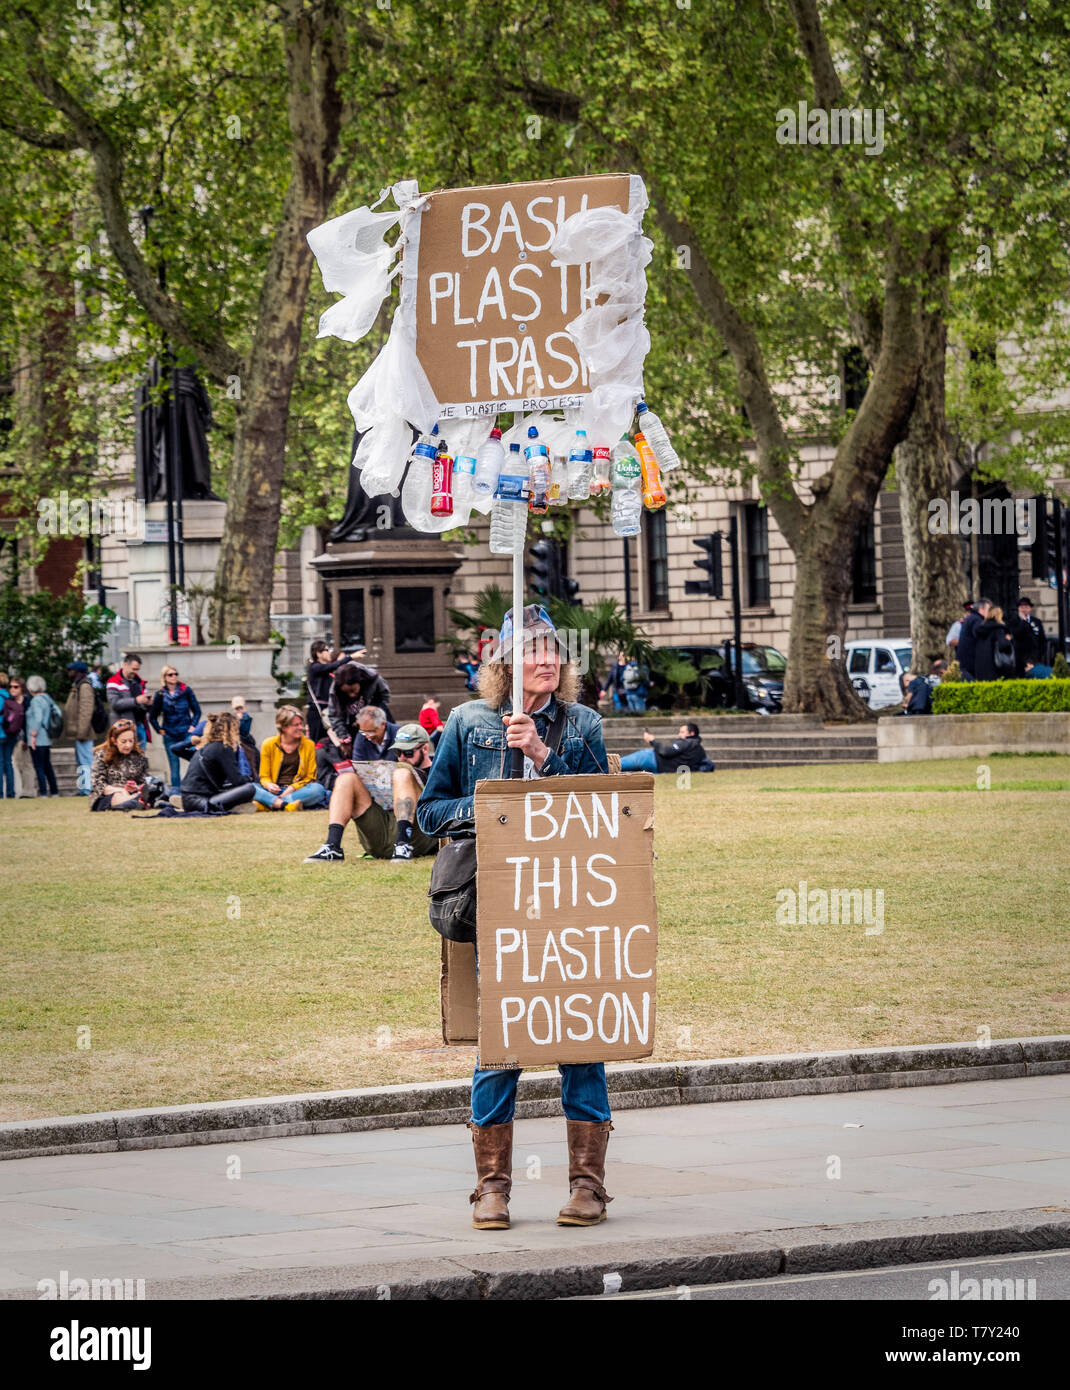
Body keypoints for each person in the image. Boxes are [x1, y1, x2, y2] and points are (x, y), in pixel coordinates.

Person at [415, 604, 613, 1233]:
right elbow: (428, 812)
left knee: (580, 1041)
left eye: (554, 650)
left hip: (571, 903)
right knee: (500, 1046)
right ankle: (492, 1191)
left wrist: (545, 756)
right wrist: (489, 808)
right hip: (499, 904)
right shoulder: (468, 724)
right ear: (504, 661)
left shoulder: (582, 724)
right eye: (533, 651)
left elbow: (606, 811)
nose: (548, 661)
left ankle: (588, 1187)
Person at [304, 722, 439, 863]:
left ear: (424, 748)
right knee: (346, 779)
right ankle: (332, 846)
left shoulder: (439, 770)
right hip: (382, 833)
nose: (402, 757)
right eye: (398, 752)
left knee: (402, 773)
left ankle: (402, 844)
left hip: (419, 836)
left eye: (408, 752)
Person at [316, 668, 393, 785]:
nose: (352, 695)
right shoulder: (335, 690)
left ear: (360, 682)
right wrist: (344, 738)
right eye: (346, 693)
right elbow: (335, 716)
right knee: (361, 750)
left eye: (353, 690)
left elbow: (385, 696)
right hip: (352, 723)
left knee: (383, 744)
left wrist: (371, 715)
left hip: (376, 714)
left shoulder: (372, 678)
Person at [180, 711, 257, 813]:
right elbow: (238, 781)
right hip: (204, 801)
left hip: (189, 798)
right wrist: (250, 779)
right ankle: (232, 807)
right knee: (250, 788)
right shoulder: (224, 748)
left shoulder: (208, 747)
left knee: (237, 788)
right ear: (231, 731)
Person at [253, 707, 327, 811]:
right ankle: (286, 805)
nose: (301, 727)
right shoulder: (268, 744)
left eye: (301, 723)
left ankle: (270, 804)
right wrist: (269, 785)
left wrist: (292, 788)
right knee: (251, 788)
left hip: (297, 791)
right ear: (283, 727)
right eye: (296, 725)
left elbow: (310, 777)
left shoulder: (309, 745)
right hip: (272, 790)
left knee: (318, 789)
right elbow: (264, 776)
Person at [149, 665, 202, 793]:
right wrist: (160, 730)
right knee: (174, 765)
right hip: (170, 734)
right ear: (165, 677)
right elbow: (153, 716)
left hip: (186, 732)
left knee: (195, 759)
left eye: (176, 674)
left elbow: (197, 711)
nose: (174, 677)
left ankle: (195, 788)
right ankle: (176, 793)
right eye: (170, 674)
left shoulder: (186, 691)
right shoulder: (160, 694)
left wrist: (193, 726)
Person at [89, 720, 158, 810]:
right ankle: (137, 802)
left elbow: (144, 780)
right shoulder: (102, 755)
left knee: (154, 787)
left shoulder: (139, 756)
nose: (128, 745)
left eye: (131, 741)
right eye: (123, 741)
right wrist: (121, 790)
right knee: (119, 796)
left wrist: (136, 787)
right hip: (108, 795)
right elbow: (97, 783)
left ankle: (136, 801)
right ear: (114, 741)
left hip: (134, 793)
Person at [305, 640, 362, 743]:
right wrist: (350, 657)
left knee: (331, 742)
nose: (329, 652)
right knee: (317, 741)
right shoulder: (315, 667)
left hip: (329, 710)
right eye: (326, 650)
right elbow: (331, 666)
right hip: (317, 711)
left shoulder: (328, 672)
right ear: (318, 653)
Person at [620, 721, 711, 773]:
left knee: (615, 765)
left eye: (682, 732)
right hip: (658, 769)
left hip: (649, 758)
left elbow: (665, 752)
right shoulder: (700, 751)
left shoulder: (687, 742)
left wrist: (652, 741)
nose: (679, 735)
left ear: (692, 734)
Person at [64, 662, 97, 796]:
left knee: (85, 761)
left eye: (71, 669)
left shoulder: (84, 686)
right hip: (79, 732)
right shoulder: (78, 685)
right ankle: (83, 788)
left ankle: (87, 788)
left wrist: (82, 731)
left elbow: (86, 709)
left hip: (83, 732)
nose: (69, 672)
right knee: (82, 761)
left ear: (77, 671)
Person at [25, 675, 61, 796]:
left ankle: (44, 792)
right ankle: (54, 791)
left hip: (37, 738)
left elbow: (38, 718)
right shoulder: (47, 698)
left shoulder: (35, 701)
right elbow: (58, 712)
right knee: (47, 765)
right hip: (47, 737)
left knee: (39, 766)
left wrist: (33, 734)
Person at [106, 652, 152, 745]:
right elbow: (115, 704)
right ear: (125, 664)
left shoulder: (139, 682)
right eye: (134, 669)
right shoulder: (113, 682)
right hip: (123, 729)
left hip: (140, 725)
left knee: (140, 758)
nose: (136, 672)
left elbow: (143, 703)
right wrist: (136, 701)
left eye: (138, 669)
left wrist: (148, 703)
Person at [8, 676, 35, 798]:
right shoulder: (9, 702)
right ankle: (21, 790)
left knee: (26, 764)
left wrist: (27, 739)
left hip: (24, 738)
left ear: (22, 688)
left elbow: (31, 721)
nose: (12, 689)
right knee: (17, 764)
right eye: (11, 686)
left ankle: (28, 791)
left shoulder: (28, 702)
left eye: (16, 687)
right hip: (12, 737)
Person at [1009, 596, 1049, 678]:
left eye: (1026, 607)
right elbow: (1016, 634)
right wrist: (1023, 622)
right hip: (1019, 657)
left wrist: (1041, 653)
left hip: (1034, 656)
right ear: (1018, 609)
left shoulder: (1036, 621)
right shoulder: (1013, 621)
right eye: (1022, 607)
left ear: (1030, 608)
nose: (1024, 609)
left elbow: (1042, 639)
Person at [974, 605, 1014, 681]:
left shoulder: (981, 628)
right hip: (994, 666)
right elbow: (1003, 646)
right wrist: (1008, 640)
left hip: (980, 666)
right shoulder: (999, 629)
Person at [955, 599, 991, 681]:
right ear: (981, 609)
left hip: (965, 663)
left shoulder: (971, 618)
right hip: (970, 663)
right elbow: (979, 634)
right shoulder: (977, 620)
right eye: (988, 610)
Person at [0, 672, 18, 799]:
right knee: (8, 763)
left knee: (0, 764)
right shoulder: (10, 697)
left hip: (0, 733)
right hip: (11, 733)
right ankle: (11, 792)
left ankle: (1, 793)